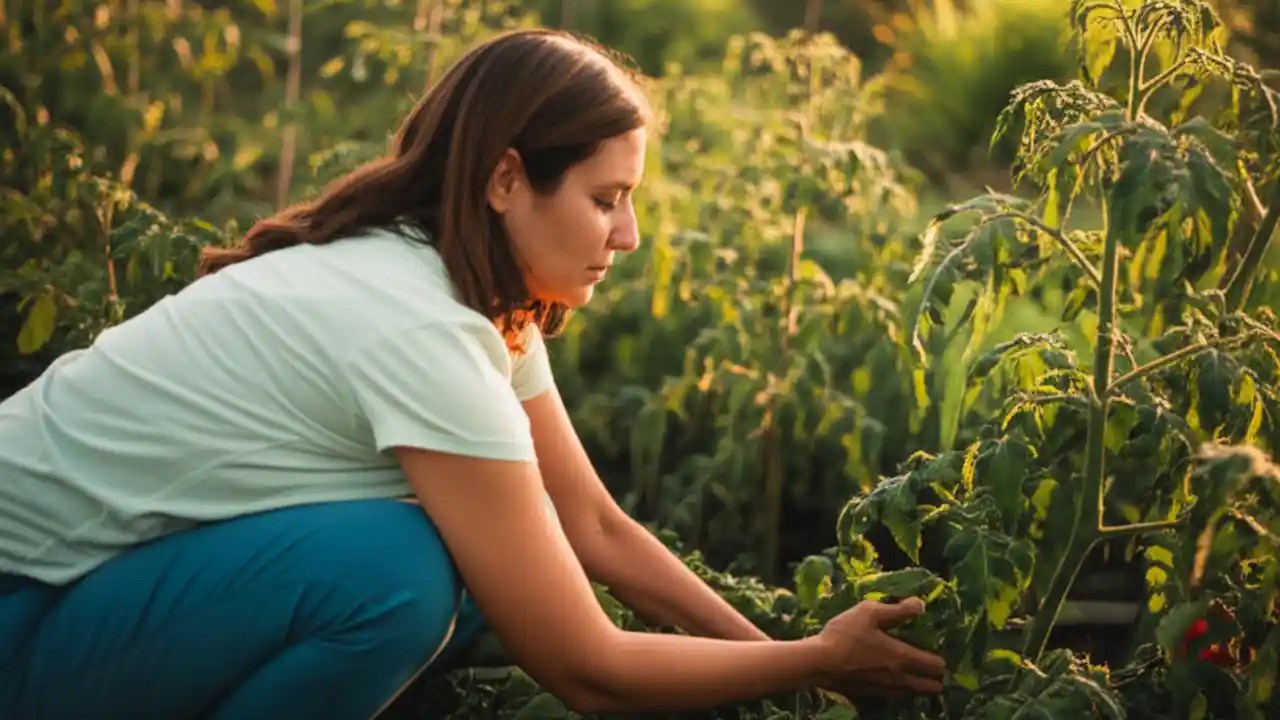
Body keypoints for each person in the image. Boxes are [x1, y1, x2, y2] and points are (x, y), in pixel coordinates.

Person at [0, 28, 946, 718]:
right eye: (606, 200)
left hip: (80, 593)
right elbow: (589, 670)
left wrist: (789, 664)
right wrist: (814, 664)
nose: (630, 235)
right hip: (18, 615)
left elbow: (595, 526)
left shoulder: (459, 284)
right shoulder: (418, 328)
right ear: (504, 181)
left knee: (463, 563)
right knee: (401, 574)